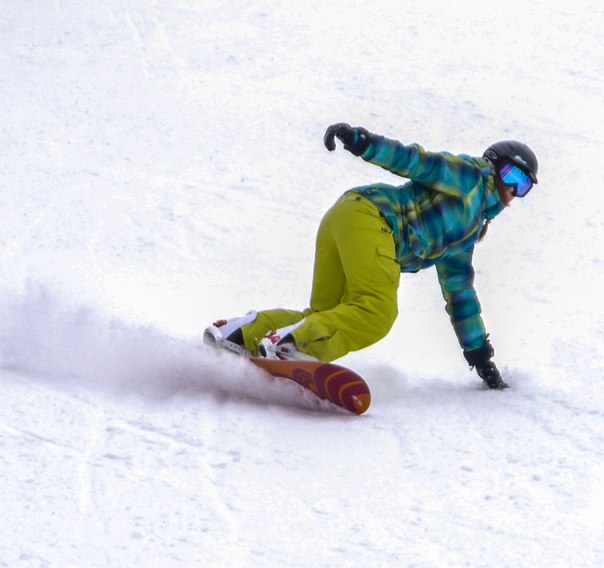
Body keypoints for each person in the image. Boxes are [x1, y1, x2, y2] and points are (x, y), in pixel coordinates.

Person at [204, 123, 539, 390]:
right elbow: (416, 161)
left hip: (345, 215)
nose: (513, 189)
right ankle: (289, 346)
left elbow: (460, 294)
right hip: (373, 219)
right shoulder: (468, 177)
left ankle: (241, 334)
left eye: (523, 186)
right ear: (493, 165)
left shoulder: (465, 234)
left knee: (326, 315)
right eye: (512, 175)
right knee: (377, 312)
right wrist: (362, 142)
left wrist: (480, 356)